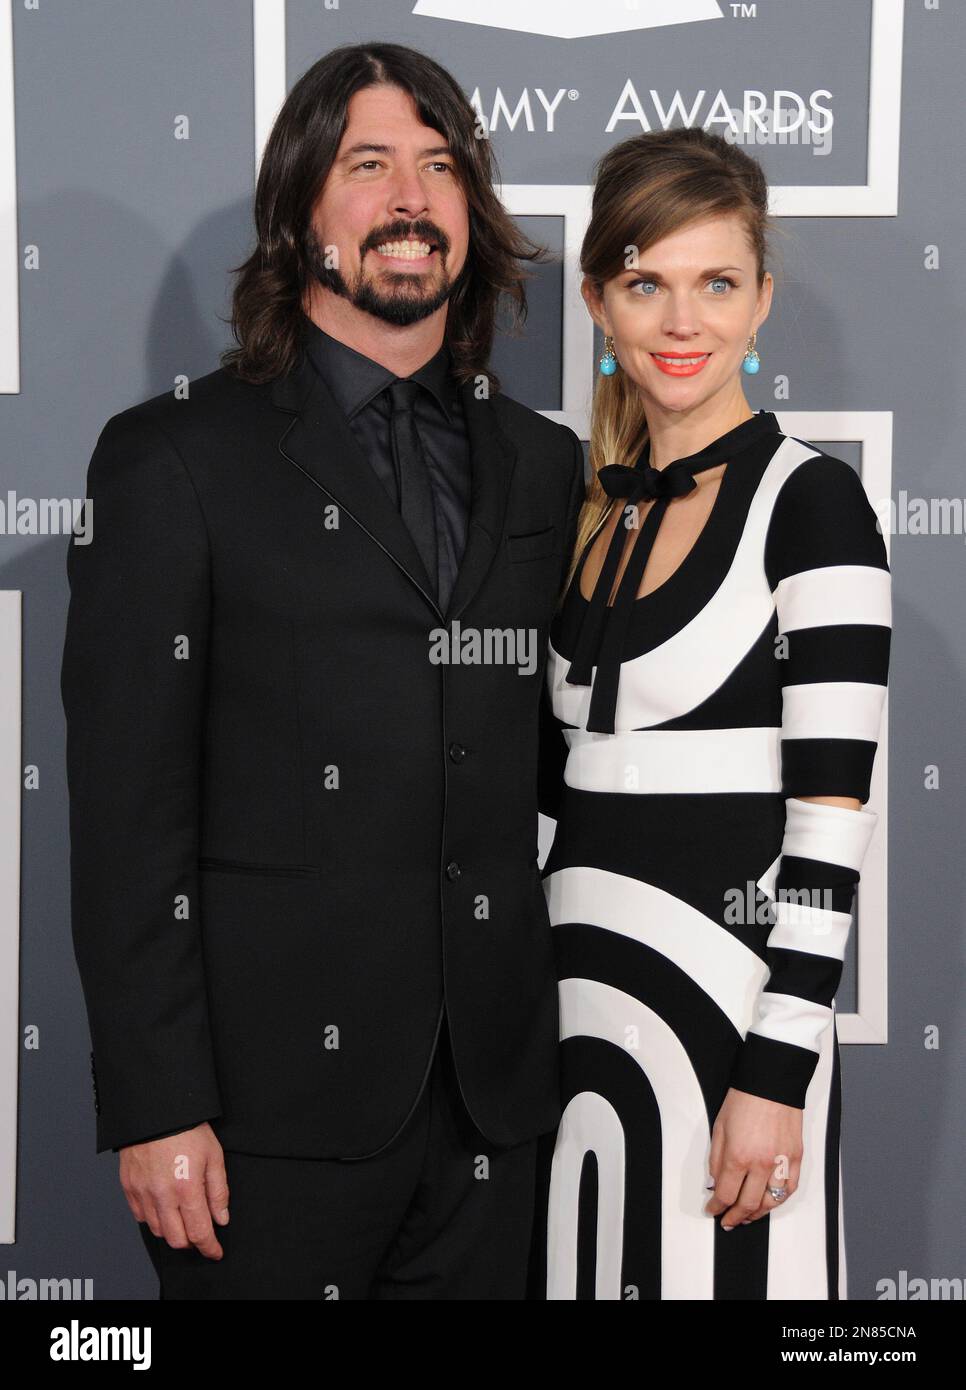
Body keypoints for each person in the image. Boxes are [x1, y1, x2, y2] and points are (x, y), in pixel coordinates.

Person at [60, 42, 584, 1300]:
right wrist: (157, 1101)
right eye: (368, 165)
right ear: (301, 213)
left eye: (440, 165)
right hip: (258, 1129)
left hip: (497, 1115)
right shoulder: (174, 460)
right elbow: (130, 816)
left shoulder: (545, 466)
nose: (412, 198)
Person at [531, 126, 890, 1300]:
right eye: (646, 284)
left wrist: (779, 1071)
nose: (682, 325)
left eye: (716, 283)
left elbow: (832, 819)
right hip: (576, 1037)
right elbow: (555, 805)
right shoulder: (592, 516)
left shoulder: (815, 506)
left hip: (731, 1038)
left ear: (763, 298)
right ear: (598, 299)